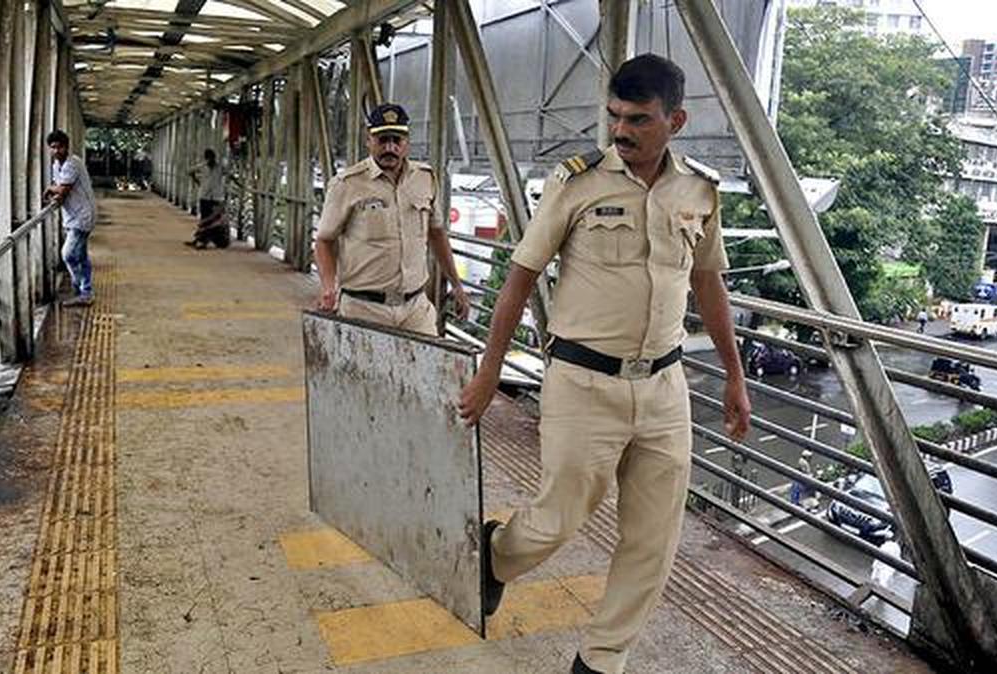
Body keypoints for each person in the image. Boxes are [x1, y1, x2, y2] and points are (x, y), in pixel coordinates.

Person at [457, 54, 751, 674]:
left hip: (666, 388)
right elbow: (519, 279)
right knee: (558, 520)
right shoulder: (577, 182)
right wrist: (489, 371)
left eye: (638, 120)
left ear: (676, 120)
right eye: (614, 116)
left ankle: (600, 659)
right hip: (582, 382)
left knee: (653, 541)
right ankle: (497, 554)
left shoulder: (700, 190)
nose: (621, 131)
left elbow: (709, 283)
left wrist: (733, 372)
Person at [314, 103, 470, 335]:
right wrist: (328, 286)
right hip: (364, 309)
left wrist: (457, 285)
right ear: (369, 140)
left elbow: (436, 233)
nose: (390, 147)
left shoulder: (425, 179)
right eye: (382, 140)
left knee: (426, 370)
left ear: (406, 142)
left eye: (397, 140)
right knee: (364, 373)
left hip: (416, 308)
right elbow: (324, 241)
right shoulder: (347, 184)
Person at [45, 130, 97, 306]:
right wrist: (56, 194)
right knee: (80, 256)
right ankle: (85, 290)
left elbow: (62, 189)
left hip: (82, 216)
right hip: (72, 216)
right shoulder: (56, 166)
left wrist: (51, 190)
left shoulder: (72, 163)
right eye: (53, 147)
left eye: (60, 147)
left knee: (67, 255)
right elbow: (61, 193)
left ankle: (83, 289)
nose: (56, 150)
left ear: (66, 147)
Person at [185, 148, 230, 249]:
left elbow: (229, 175)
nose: (211, 160)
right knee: (204, 219)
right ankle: (201, 240)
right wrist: (197, 181)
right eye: (209, 158)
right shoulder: (202, 166)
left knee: (213, 220)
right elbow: (189, 171)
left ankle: (204, 240)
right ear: (206, 158)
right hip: (205, 196)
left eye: (212, 158)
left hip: (216, 197)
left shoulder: (220, 167)